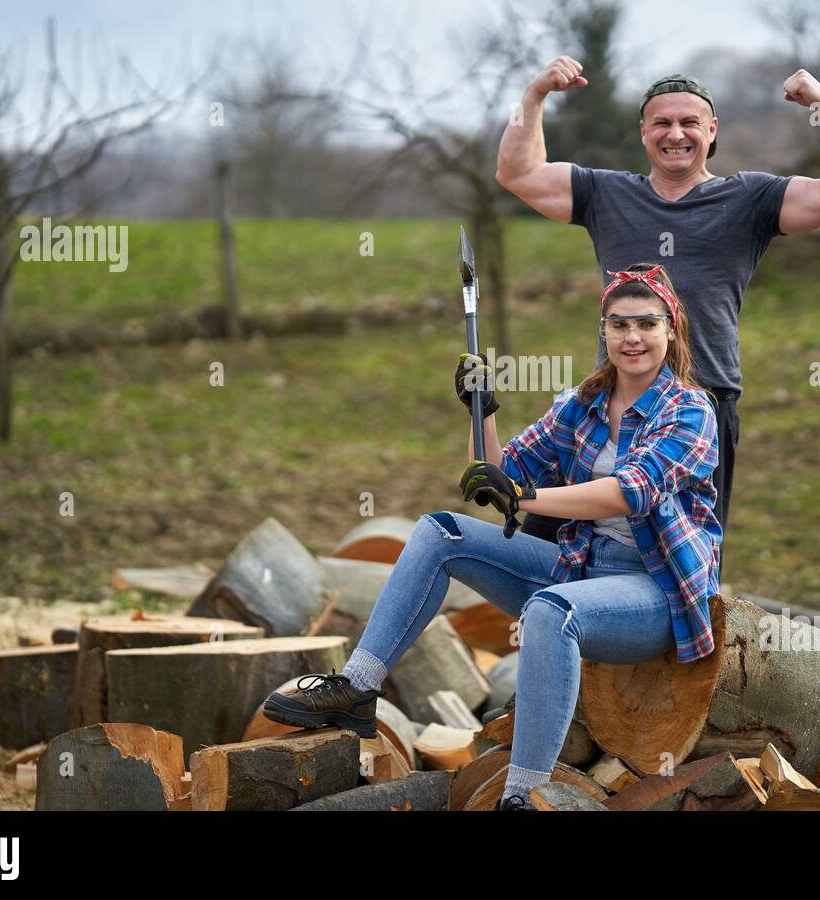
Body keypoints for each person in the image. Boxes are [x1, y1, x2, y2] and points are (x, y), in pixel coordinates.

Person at [262, 263, 721, 811]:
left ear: (671, 330)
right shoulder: (581, 404)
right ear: (603, 331)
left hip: (652, 592)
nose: (632, 337)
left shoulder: (691, 410)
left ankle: (522, 796)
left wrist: (522, 498)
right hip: (580, 568)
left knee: (553, 611)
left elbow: (630, 492)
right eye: (618, 324)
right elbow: (500, 471)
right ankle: (358, 687)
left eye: (646, 324)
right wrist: (482, 409)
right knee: (440, 531)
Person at [495, 61, 820, 567]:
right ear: (644, 133)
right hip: (610, 403)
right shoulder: (606, 193)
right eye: (662, 123)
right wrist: (536, 94)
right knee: (545, 548)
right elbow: (516, 174)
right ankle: (557, 635)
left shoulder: (749, 198)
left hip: (701, 401)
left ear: (712, 132)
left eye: (690, 122)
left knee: (681, 562)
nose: (676, 133)